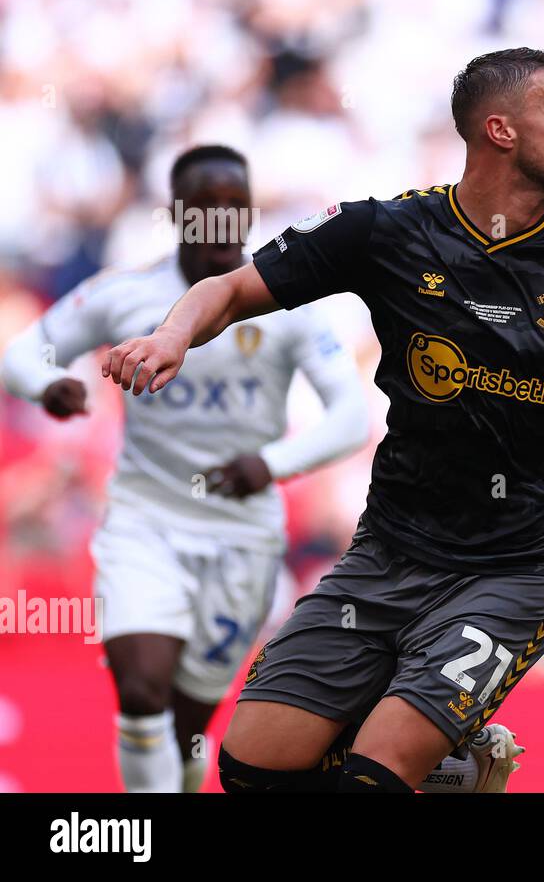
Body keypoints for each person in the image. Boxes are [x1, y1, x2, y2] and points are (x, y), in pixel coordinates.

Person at [101, 48, 544, 793]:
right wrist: (170, 337)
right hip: (388, 553)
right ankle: (453, 773)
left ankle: (427, 766)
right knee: (249, 768)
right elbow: (227, 290)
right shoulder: (385, 232)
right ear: (500, 130)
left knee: (372, 777)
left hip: (515, 569)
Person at [1, 145, 368, 792]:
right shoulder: (126, 294)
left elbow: (350, 418)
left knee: (188, 727)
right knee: (142, 692)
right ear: (177, 213)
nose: (222, 220)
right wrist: (48, 386)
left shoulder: (292, 309)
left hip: (240, 539)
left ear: (252, 212)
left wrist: (271, 463)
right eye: (206, 207)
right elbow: (24, 354)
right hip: (146, 520)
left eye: (235, 206)